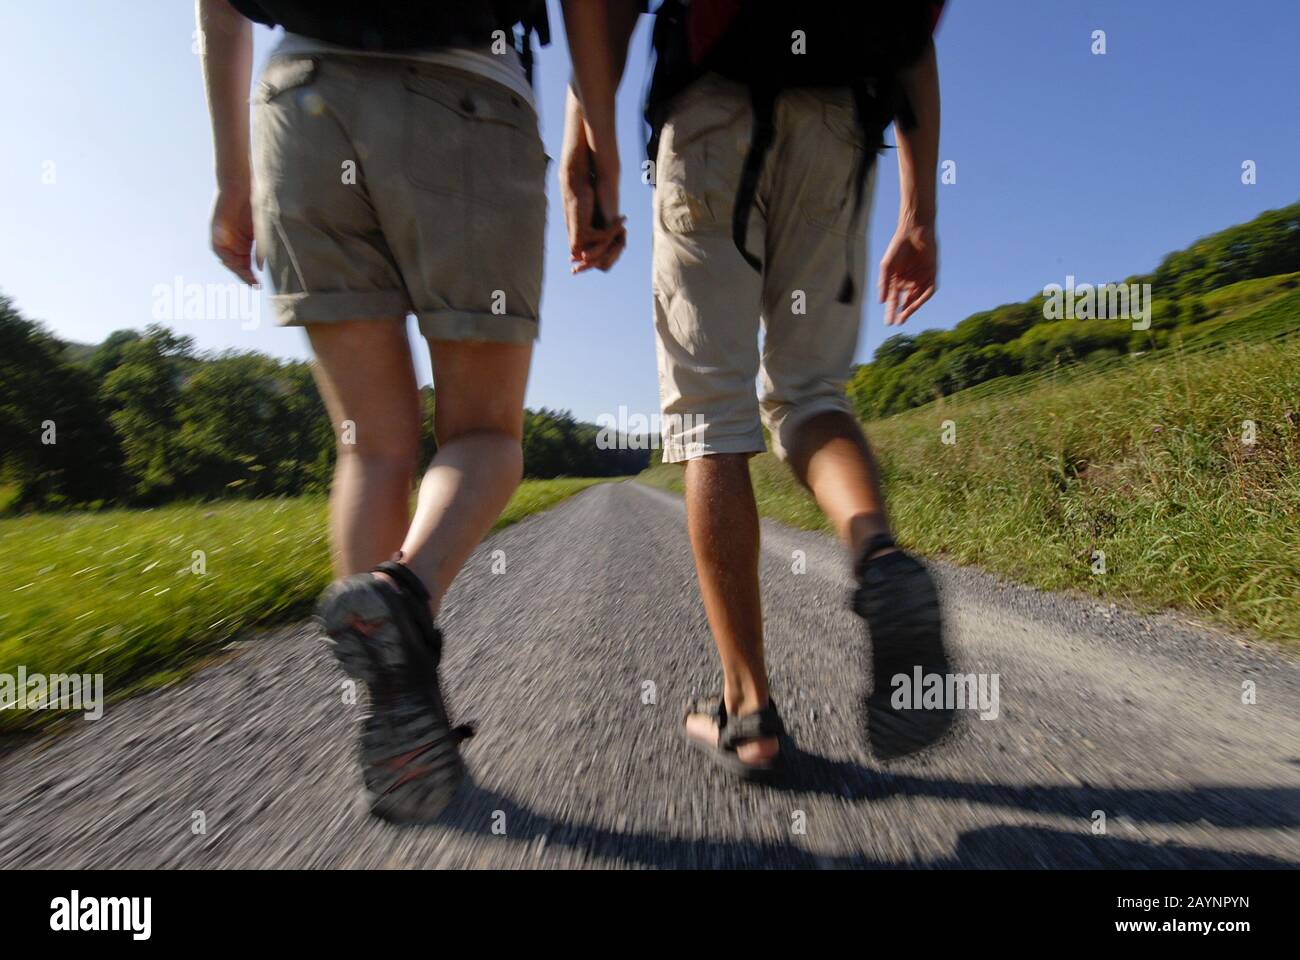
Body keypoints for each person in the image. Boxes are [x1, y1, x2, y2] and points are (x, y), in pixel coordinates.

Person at [198, 0, 622, 822]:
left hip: (303, 100)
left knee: (368, 446)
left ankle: (393, 707)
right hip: (468, 91)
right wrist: (596, 148)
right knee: (483, 434)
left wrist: (231, 176)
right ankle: (404, 590)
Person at [562, 0, 955, 779]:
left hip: (710, 117)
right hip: (839, 126)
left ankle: (748, 711)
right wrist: (918, 215)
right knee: (811, 394)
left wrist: (589, 150)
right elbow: (910, 39)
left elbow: (599, 12)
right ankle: (878, 557)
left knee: (711, 415)